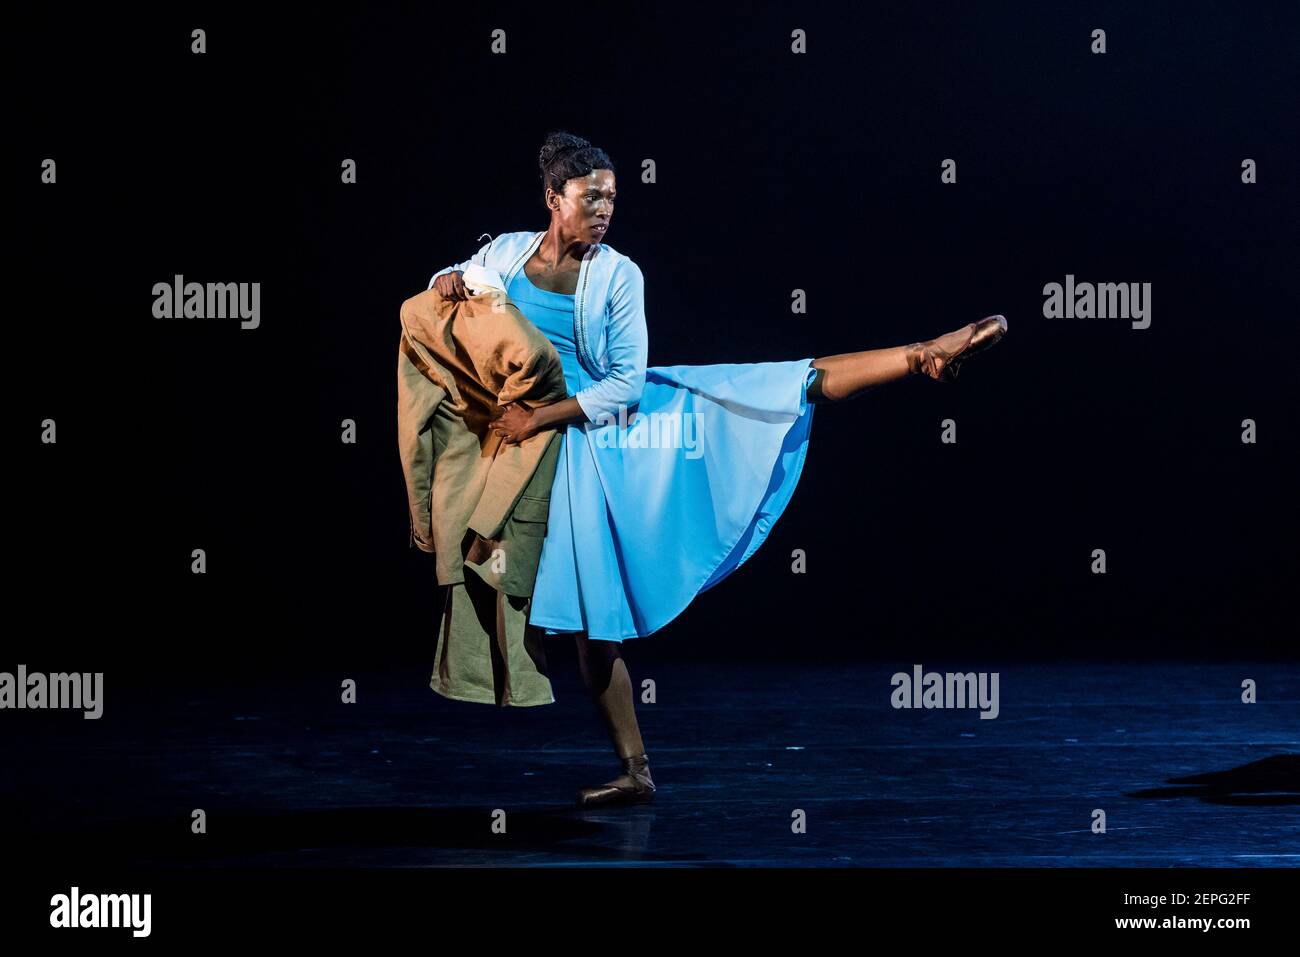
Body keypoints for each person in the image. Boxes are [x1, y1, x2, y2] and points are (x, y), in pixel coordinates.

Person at [429, 130, 1008, 808]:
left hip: (613, 432)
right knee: (588, 627)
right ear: (553, 199)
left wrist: (539, 416)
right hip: (539, 449)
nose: (605, 209)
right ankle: (636, 771)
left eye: (612, 198)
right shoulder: (506, 252)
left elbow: (624, 385)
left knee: (772, 389)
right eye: (591, 197)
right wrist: (447, 281)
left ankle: (920, 354)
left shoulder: (618, 274)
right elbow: (457, 282)